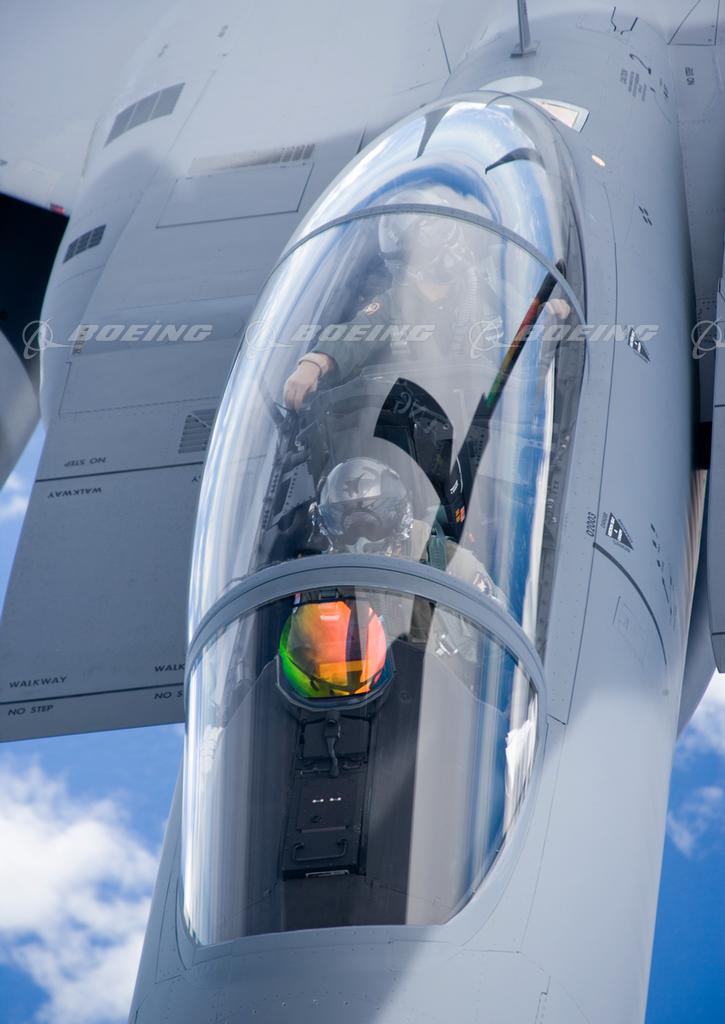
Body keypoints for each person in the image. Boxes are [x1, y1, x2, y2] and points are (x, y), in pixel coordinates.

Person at [282, 202, 571, 411]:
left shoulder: (484, 289)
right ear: (410, 260)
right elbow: (357, 333)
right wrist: (315, 363)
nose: (456, 250)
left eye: (452, 237)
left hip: (491, 413)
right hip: (415, 422)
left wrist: (548, 315)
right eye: (440, 243)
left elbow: (523, 316)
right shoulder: (393, 303)